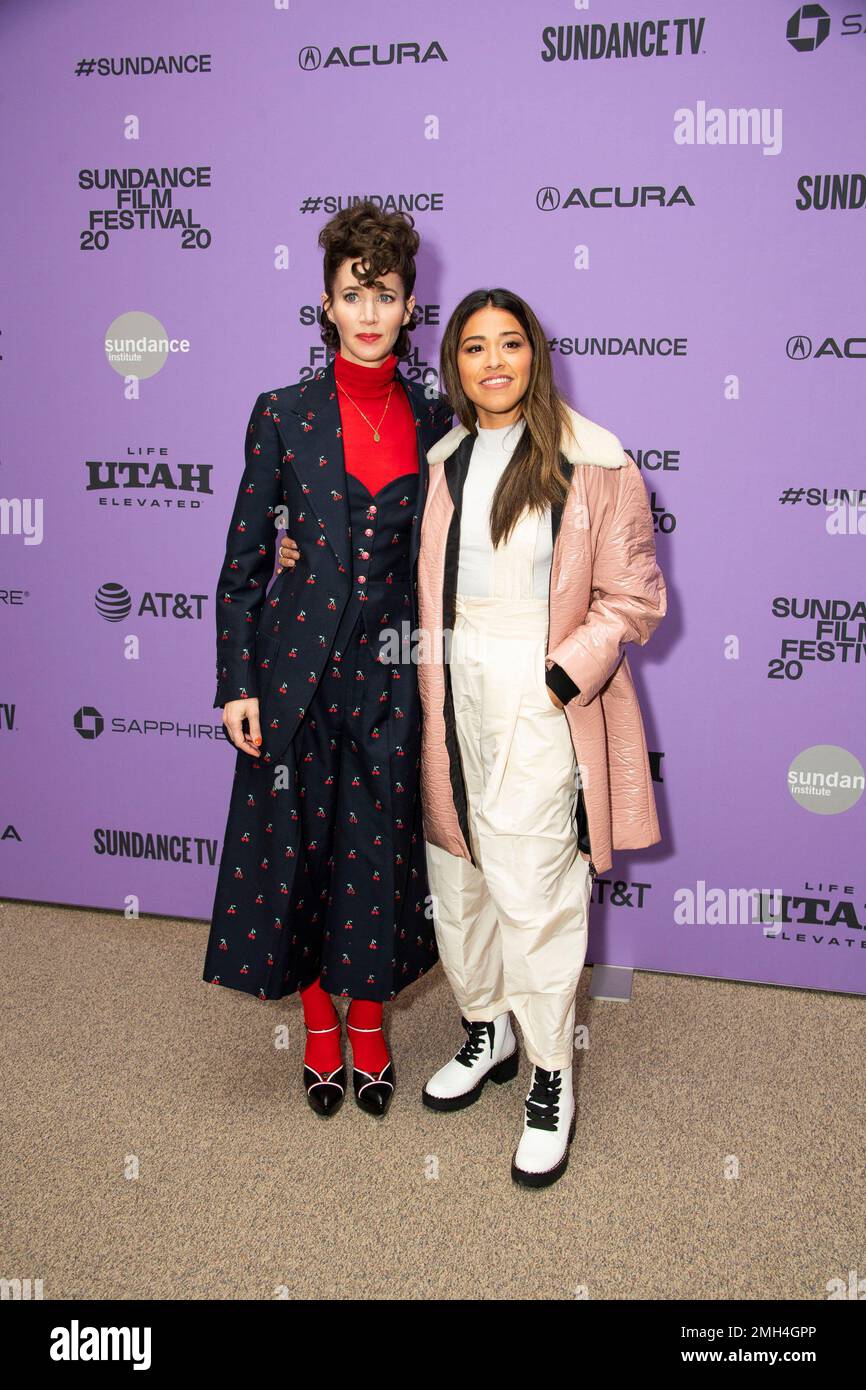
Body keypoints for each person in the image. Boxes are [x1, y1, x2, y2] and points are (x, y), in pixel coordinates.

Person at [280, 286, 666, 1187]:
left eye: (510, 345)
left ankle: (549, 1077)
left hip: (540, 700)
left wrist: (563, 672)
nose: (493, 362)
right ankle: (485, 1030)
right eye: (473, 349)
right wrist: (299, 546)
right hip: (446, 695)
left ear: (535, 354)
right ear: (453, 365)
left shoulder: (596, 460)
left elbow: (636, 596)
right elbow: (363, 538)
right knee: (458, 884)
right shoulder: (445, 458)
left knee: (534, 889)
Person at [203, 200, 453, 1120]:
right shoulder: (281, 414)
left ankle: (374, 1022)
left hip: (393, 671)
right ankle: (318, 1024)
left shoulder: (438, 422)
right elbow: (240, 566)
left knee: (379, 854)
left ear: (409, 306)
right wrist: (237, 681)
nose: (370, 311)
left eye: (386, 294)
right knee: (301, 852)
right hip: (294, 669)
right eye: (355, 294)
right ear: (326, 303)